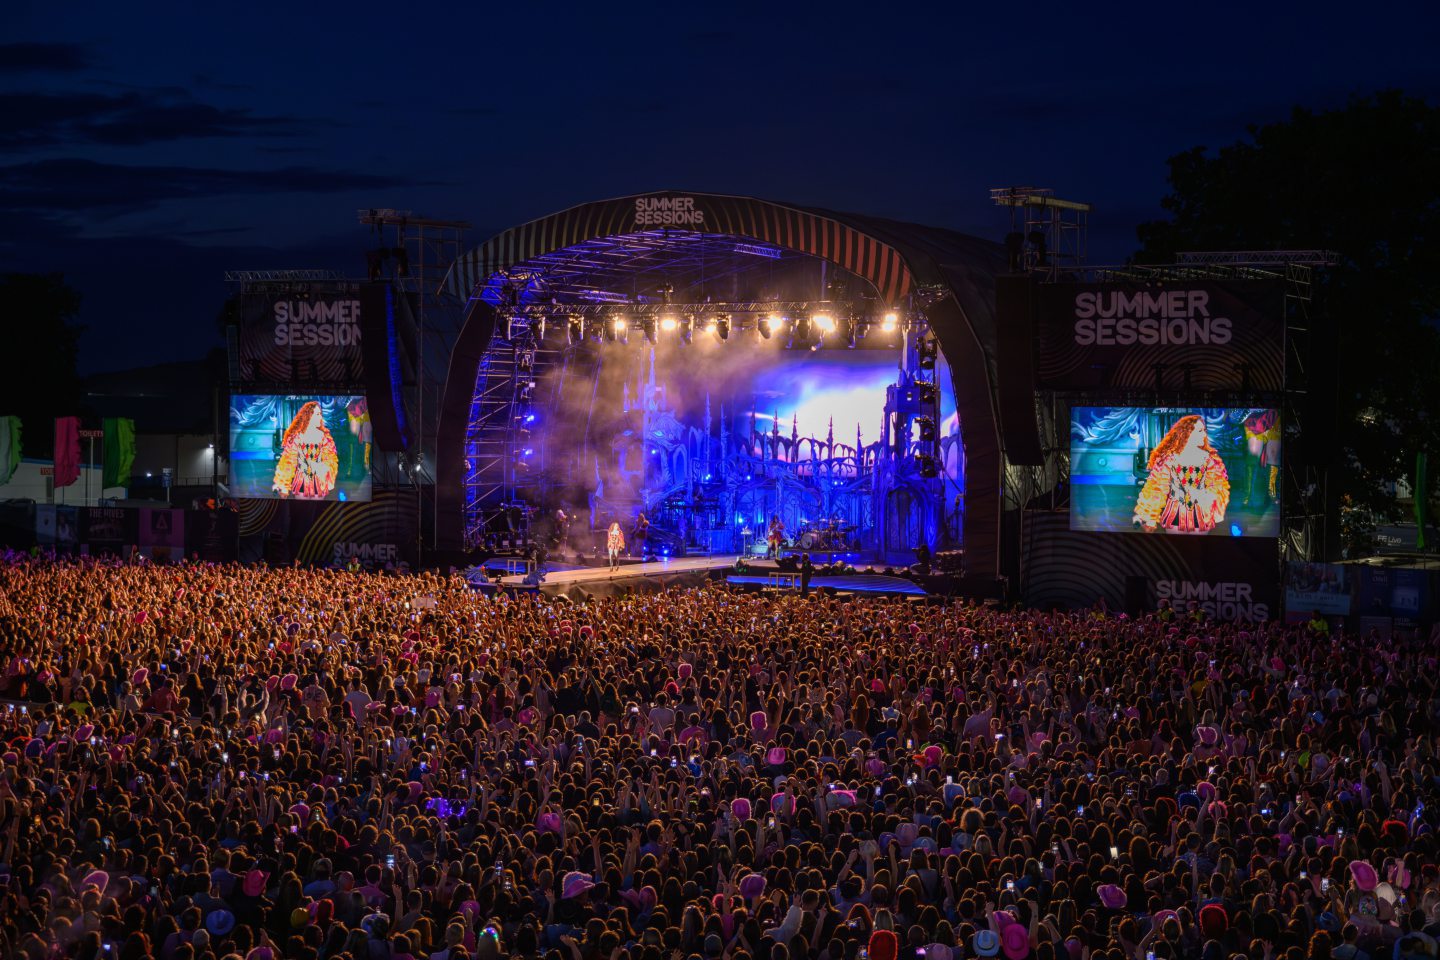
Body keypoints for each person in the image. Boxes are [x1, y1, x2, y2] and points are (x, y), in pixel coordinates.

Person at [1133, 414, 1230, 533]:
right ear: (1187, 433)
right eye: (1200, 431)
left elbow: (1218, 486)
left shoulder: (1210, 460)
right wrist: (1146, 514)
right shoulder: (1169, 459)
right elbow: (1156, 488)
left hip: (1200, 515)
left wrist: (1204, 495)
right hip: (1175, 515)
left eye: (1204, 431)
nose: (1204, 435)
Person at [271, 401, 339, 499]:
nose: (320, 417)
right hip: (301, 482)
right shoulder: (297, 437)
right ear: (308, 416)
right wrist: (283, 484)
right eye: (317, 414)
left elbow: (331, 459)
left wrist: (323, 469)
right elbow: (288, 461)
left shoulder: (325, 438)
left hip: (319, 482)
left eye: (320, 414)